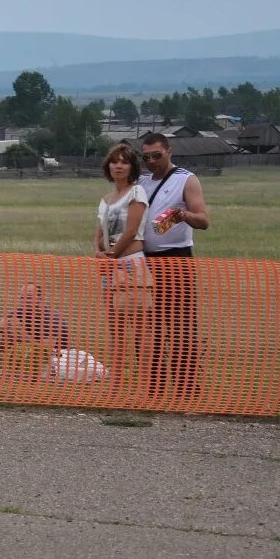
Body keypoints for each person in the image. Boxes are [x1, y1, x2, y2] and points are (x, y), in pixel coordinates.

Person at [138, 133, 210, 401]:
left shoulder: (186, 179)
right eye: (146, 157)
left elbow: (203, 220)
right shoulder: (141, 180)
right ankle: (154, 387)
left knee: (180, 326)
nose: (151, 161)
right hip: (145, 260)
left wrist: (183, 215)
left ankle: (186, 387)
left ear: (169, 151)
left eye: (157, 155)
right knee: (150, 326)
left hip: (176, 258)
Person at [94, 142, 152, 398]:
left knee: (141, 330)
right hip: (109, 270)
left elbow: (131, 229)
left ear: (132, 167)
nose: (118, 165)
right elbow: (99, 234)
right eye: (114, 161)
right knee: (116, 331)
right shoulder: (105, 200)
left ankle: (145, 386)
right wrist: (99, 254)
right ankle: (115, 384)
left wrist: (113, 255)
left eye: (124, 161)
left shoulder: (136, 193)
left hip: (131, 265)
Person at [0, 283, 71, 374]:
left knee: (10, 333)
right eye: (22, 298)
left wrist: (20, 335)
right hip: (34, 352)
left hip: (58, 361)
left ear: (40, 298)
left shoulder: (51, 318)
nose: (24, 301)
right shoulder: (21, 312)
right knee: (4, 334)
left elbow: (47, 349)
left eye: (29, 297)